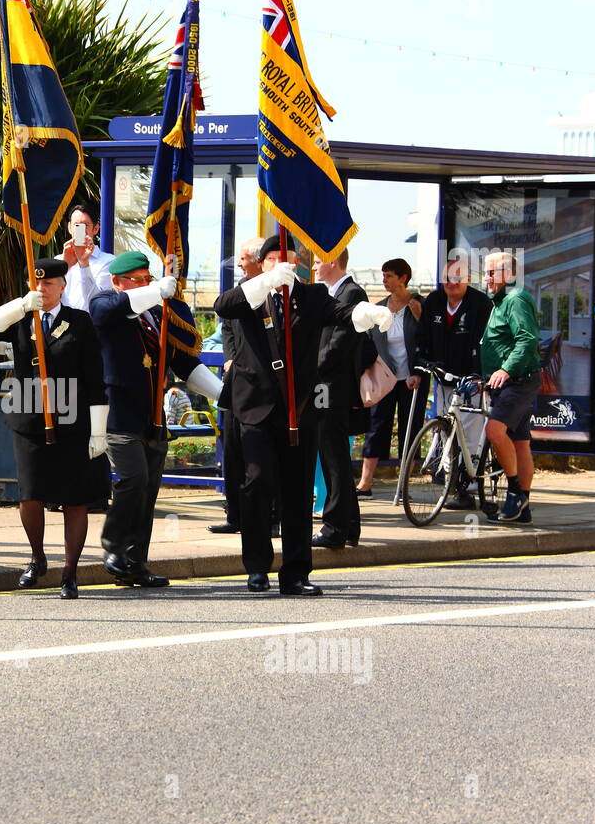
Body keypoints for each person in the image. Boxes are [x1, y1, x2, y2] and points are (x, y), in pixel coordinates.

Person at [214, 235, 393, 596]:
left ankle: (295, 573)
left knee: (297, 490)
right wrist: (265, 282)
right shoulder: (250, 294)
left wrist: (368, 314)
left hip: (299, 409)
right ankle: (257, 566)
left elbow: (341, 314)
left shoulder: (311, 297)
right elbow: (223, 306)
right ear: (263, 264)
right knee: (258, 483)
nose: (288, 266)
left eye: (292, 260)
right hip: (256, 407)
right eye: (278, 259)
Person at [0, 258, 110, 599]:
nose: (42, 289)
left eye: (49, 284)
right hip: (30, 417)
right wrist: (20, 306)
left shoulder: (79, 322)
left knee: (74, 499)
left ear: (63, 286)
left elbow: (95, 379)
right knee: (29, 494)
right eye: (36, 284)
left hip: (72, 419)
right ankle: (37, 558)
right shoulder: (21, 318)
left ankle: (70, 572)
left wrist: (98, 430)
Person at [90, 250, 223, 588]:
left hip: (152, 417)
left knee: (148, 489)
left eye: (148, 279)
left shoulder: (156, 318)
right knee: (132, 480)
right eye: (139, 280)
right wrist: (153, 292)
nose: (147, 285)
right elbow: (110, 309)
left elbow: (182, 362)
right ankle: (113, 547)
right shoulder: (106, 304)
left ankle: (135, 562)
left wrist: (224, 394)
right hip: (118, 415)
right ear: (118, 282)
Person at [415, 256, 493, 509]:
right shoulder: (435, 301)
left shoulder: (480, 303)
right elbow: (423, 334)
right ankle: (449, 478)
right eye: (447, 278)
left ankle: (467, 487)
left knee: (469, 432)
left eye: (457, 278)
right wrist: (421, 362)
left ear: (468, 280)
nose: (451, 283)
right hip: (443, 377)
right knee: (445, 428)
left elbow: (484, 342)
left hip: (470, 379)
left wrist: (479, 376)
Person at [309, 248, 370, 549]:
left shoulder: (351, 294)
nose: (314, 267)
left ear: (333, 262)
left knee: (333, 456)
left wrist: (309, 366)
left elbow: (338, 344)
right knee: (333, 456)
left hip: (331, 387)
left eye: (318, 261)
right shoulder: (331, 292)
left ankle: (335, 527)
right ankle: (349, 524)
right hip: (326, 385)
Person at [479, 251, 541, 523]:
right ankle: (523, 508)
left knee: (494, 430)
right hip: (511, 380)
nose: (486, 278)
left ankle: (515, 491)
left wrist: (505, 369)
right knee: (520, 442)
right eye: (486, 272)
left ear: (509, 274)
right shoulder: (501, 301)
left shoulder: (515, 299)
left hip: (518, 379)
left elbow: (527, 339)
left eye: (491, 273)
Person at [357, 259, 426, 498]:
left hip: (412, 378)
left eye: (389, 276)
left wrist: (420, 318)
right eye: (383, 275)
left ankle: (404, 485)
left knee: (410, 427)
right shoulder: (379, 308)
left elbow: (428, 340)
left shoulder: (418, 305)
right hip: (384, 379)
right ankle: (365, 484)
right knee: (376, 426)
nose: (384, 280)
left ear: (403, 278)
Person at [211, 237, 265, 535]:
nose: (240, 263)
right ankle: (235, 515)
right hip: (236, 384)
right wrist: (230, 358)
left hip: (262, 390)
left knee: (258, 458)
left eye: (244, 258)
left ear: (259, 261)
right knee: (232, 451)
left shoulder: (272, 292)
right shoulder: (237, 292)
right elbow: (227, 326)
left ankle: (266, 518)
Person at [55, 204, 114, 312]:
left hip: (91, 325)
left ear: (95, 228)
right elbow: (49, 295)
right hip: (62, 324)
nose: (80, 230)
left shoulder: (109, 261)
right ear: (69, 227)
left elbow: (97, 302)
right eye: (76, 225)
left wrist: (84, 264)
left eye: (85, 225)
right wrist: (65, 266)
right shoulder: (59, 260)